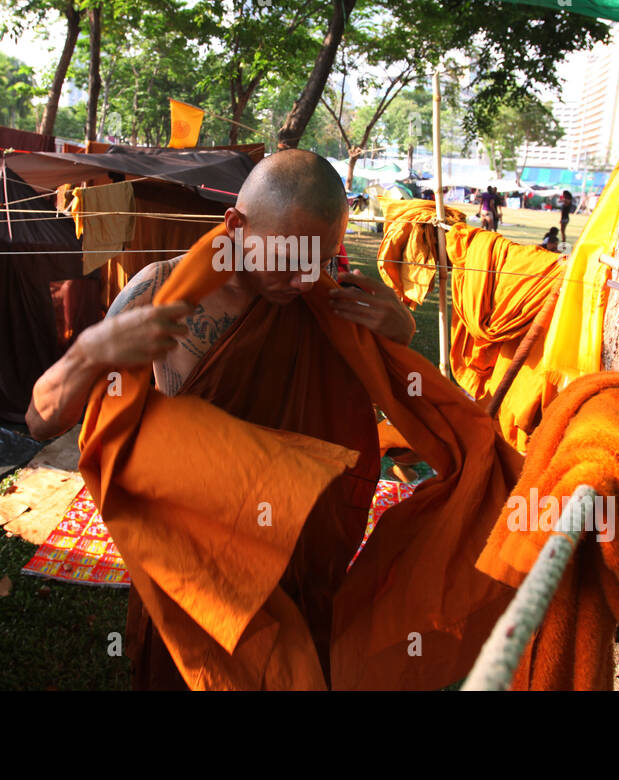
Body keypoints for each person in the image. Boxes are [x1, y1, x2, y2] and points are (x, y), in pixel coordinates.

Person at [24, 149, 418, 689]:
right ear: (236, 224)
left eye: (321, 259)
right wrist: (91, 350)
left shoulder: (334, 305)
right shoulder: (163, 293)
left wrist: (401, 340)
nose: (305, 279)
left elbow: (385, 415)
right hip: (194, 573)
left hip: (296, 561)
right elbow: (40, 421)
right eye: (289, 257)